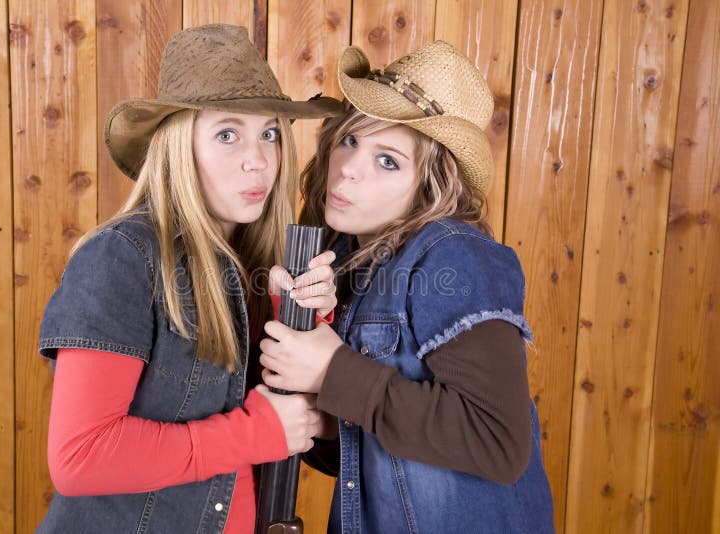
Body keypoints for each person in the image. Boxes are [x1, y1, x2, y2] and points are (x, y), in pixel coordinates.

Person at [35, 24, 343, 534]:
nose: (258, 159)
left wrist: (307, 324)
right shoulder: (123, 258)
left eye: (269, 133)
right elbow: (80, 457)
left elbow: (284, 419)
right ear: (179, 146)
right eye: (228, 134)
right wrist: (254, 433)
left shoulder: (253, 265)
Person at [258, 41, 555, 533]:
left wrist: (332, 371)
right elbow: (375, 453)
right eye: (351, 140)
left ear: (430, 184)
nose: (349, 167)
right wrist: (321, 415)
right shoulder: (357, 262)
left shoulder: (453, 253)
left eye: (388, 160)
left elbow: (497, 442)